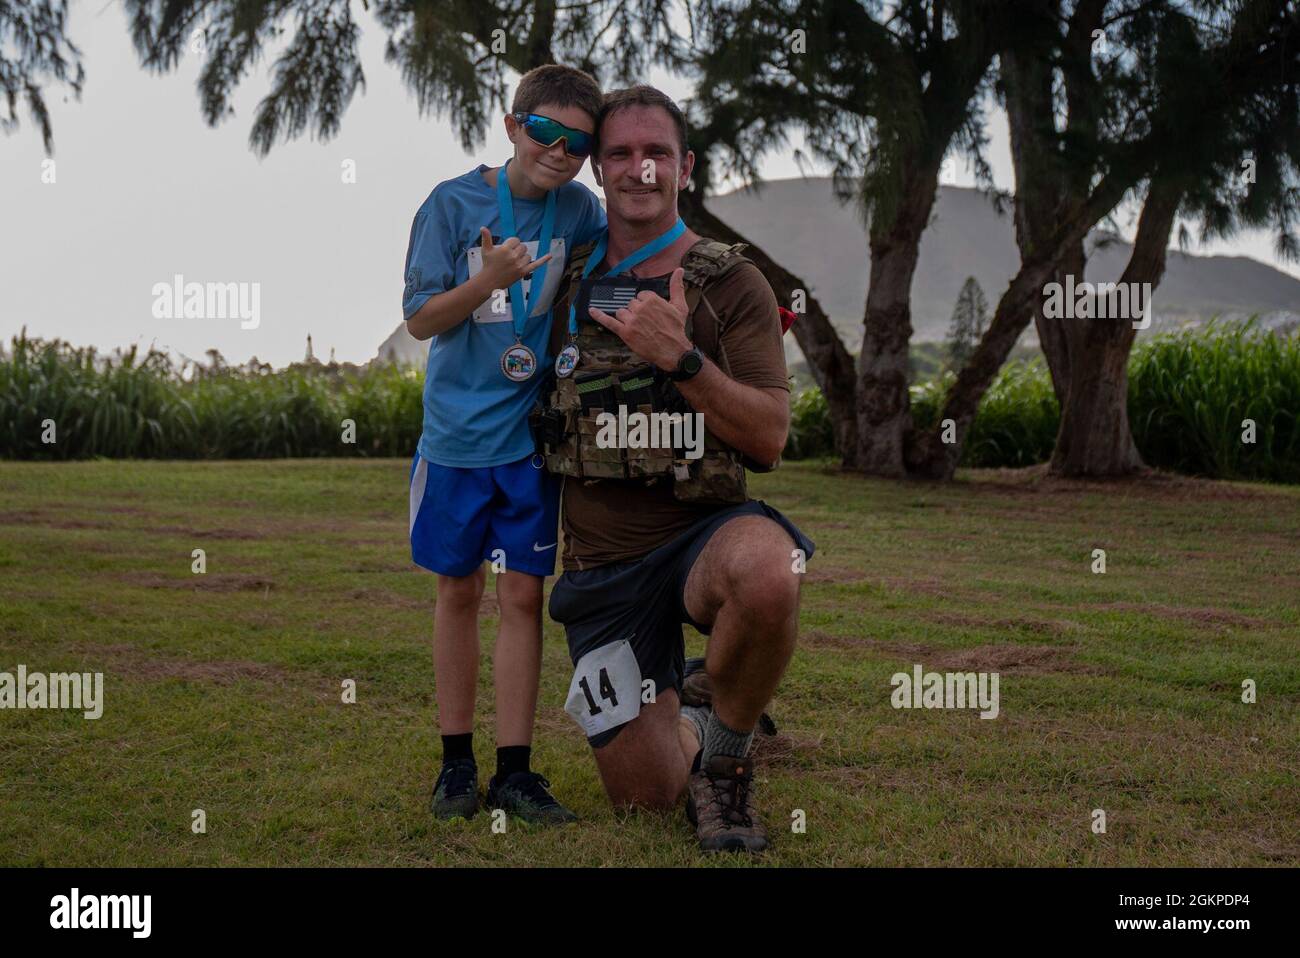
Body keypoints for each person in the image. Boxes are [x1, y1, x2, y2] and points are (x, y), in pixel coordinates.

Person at [541, 85, 815, 852]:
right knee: (647, 798)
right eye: (621, 153)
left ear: (684, 167)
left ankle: (725, 764)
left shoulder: (732, 282)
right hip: (602, 568)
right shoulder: (562, 280)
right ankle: (704, 704)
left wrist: (683, 357)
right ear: (599, 169)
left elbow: (768, 437)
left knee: (770, 571)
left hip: (702, 539)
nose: (640, 169)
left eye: (657, 152)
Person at [402, 64, 606, 825]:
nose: (559, 151)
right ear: (514, 124)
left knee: (524, 595)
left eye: (578, 142)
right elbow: (421, 320)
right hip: (454, 442)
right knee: (459, 592)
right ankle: (456, 764)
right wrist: (487, 278)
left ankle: (514, 773)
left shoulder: (579, 210)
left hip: (529, 444)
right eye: (546, 132)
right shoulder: (449, 204)